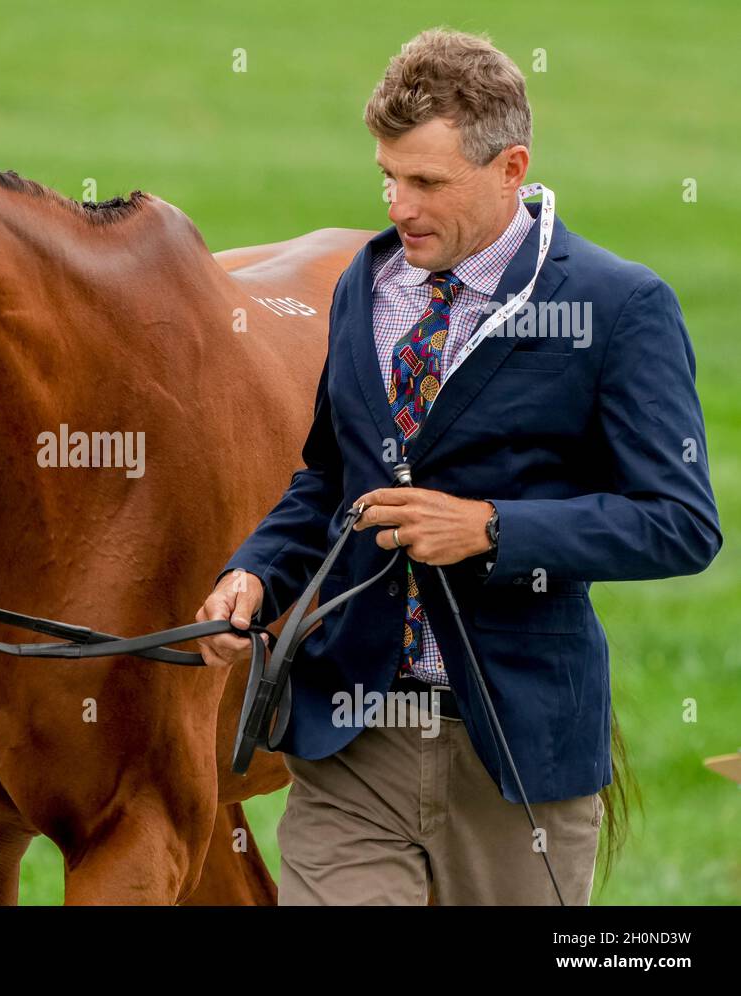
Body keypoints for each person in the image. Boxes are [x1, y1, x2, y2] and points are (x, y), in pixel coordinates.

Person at [196, 27, 722, 905]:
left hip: (516, 758)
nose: (399, 205)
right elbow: (329, 478)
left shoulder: (618, 305)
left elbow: (680, 522)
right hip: (350, 736)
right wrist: (254, 573)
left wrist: (490, 528)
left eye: (427, 182)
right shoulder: (368, 285)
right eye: (388, 177)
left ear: (511, 167)